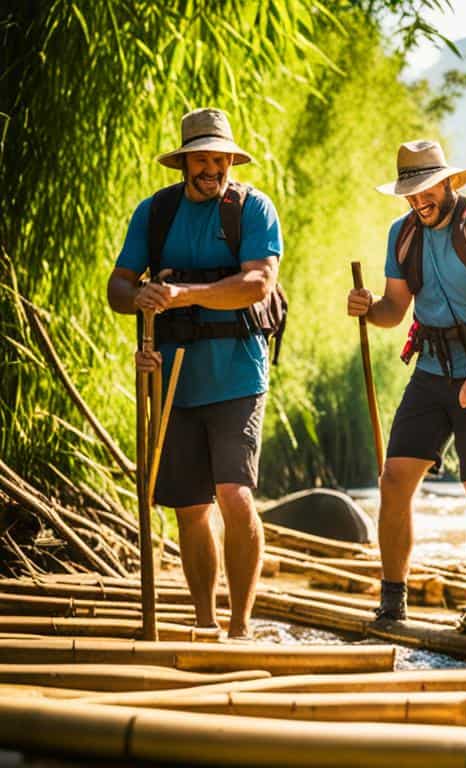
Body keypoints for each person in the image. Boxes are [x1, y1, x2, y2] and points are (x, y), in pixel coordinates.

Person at [106, 108, 284, 640]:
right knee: (189, 506)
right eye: (201, 158)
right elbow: (117, 286)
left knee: (234, 495)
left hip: (238, 375)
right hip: (172, 378)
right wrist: (141, 299)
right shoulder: (155, 212)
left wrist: (185, 294)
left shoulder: (253, 209)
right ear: (185, 161)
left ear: (231, 158)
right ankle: (205, 623)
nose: (212, 168)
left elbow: (257, 285)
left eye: (220, 158)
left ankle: (240, 627)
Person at [347, 140, 466, 622]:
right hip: (430, 370)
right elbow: (394, 310)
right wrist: (368, 309)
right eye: (410, 192)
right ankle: (392, 598)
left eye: (426, 189)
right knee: (394, 480)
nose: (418, 200)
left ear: (448, 183)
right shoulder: (402, 235)